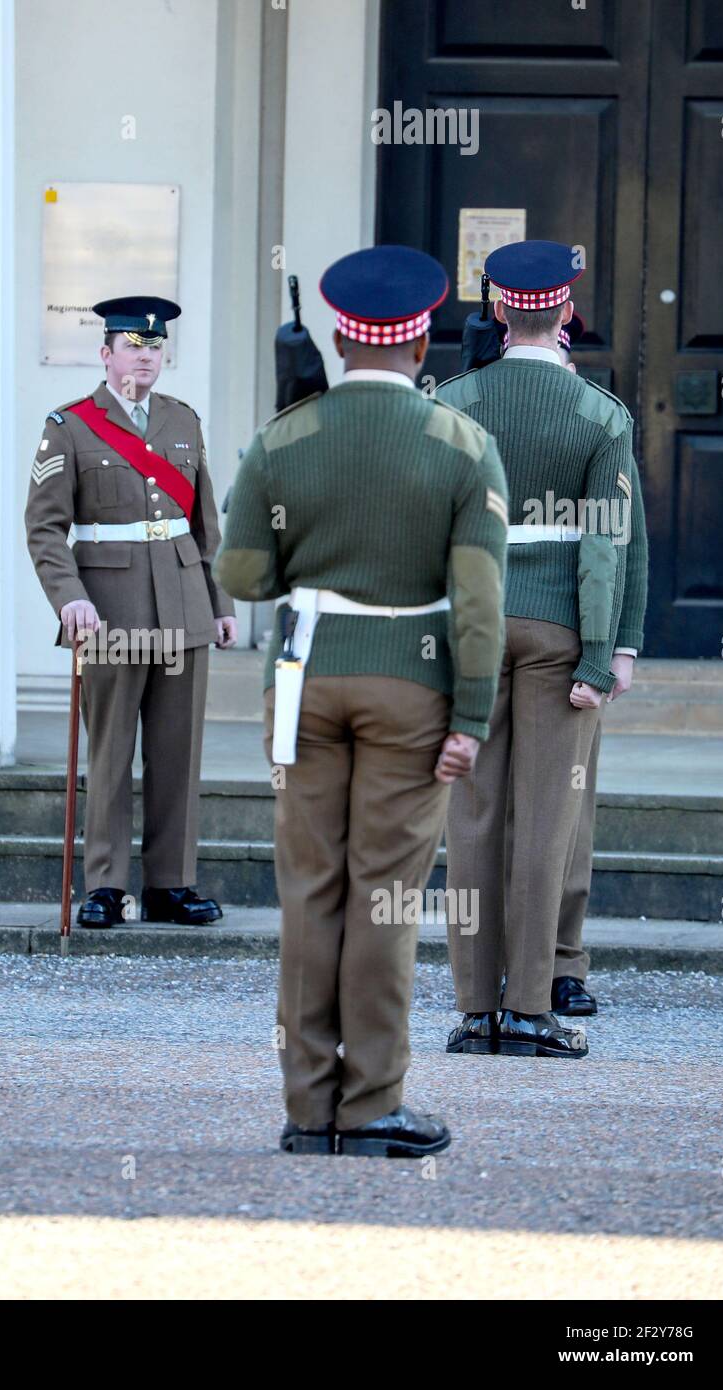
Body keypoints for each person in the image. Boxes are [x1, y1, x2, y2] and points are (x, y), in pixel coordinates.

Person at [217, 245, 507, 1156]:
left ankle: (308, 1107)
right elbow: (478, 604)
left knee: (311, 890)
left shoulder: (283, 439)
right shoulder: (462, 445)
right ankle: (372, 1101)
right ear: (420, 344)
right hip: (412, 683)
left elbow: (242, 576)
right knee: (385, 895)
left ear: (340, 338)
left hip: (306, 682)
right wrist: (469, 720)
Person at [437, 240, 632, 1058]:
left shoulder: (449, 402)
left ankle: (475, 1009)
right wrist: (602, 652)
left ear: (494, 311)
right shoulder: (598, 415)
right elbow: (605, 546)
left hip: (470, 625)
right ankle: (526, 1007)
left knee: (473, 819)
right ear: (563, 313)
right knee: (546, 820)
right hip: (556, 627)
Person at [24, 295, 236, 929]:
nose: (145, 356)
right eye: (132, 346)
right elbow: (43, 529)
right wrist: (71, 601)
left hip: (181, 604)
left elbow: (206, 527)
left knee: (177, 751)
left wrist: (220, 603)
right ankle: (108, 884)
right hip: (108, 610)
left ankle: (171, 883)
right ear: (106, 354)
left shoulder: (183, 421)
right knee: (111, 751)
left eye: (154, 347)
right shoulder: (69, 425)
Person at [550, 314, 648, 1016]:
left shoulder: (595, 415)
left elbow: (625, 539)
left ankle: (559, 961)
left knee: (567, 811)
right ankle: (514, 962)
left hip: (573, 630)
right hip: (524, 631)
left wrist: (622, 643)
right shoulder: (472, 401)